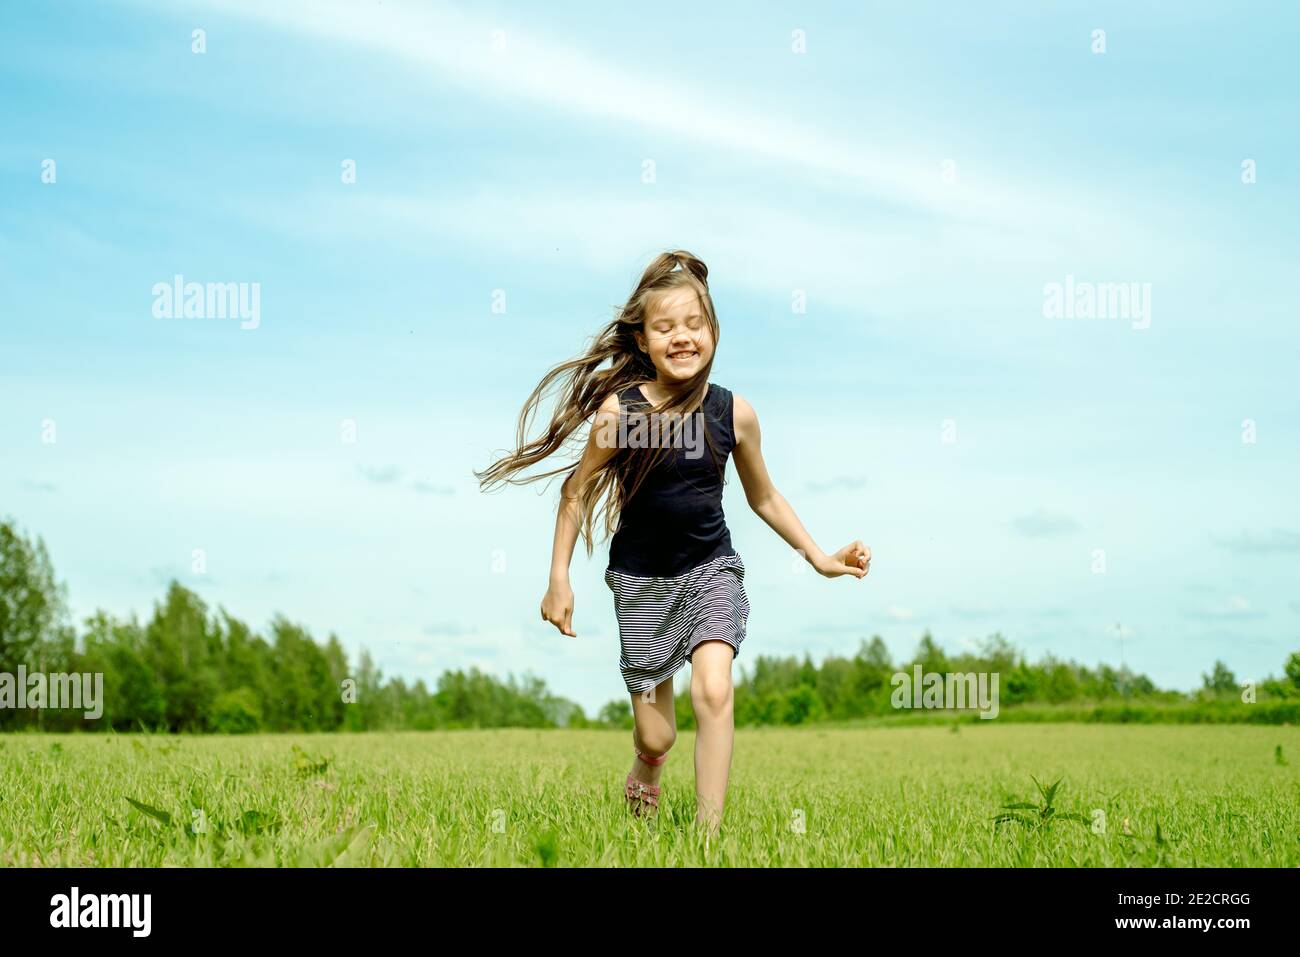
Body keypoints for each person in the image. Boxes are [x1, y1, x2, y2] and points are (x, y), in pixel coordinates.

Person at [475, 249, 870, 836]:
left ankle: (707, 839)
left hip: (710, 569)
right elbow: (576, 492)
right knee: (658, 730)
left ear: (713, 332)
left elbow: (764, 497)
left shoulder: (733, 414)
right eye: (665, 327)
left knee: (714, 688)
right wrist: (558, 578)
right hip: (639, 580)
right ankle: (650, 761)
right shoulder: (623, 412)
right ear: (642, 338)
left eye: (694, 325)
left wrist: (820, 558)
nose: (681, 338)